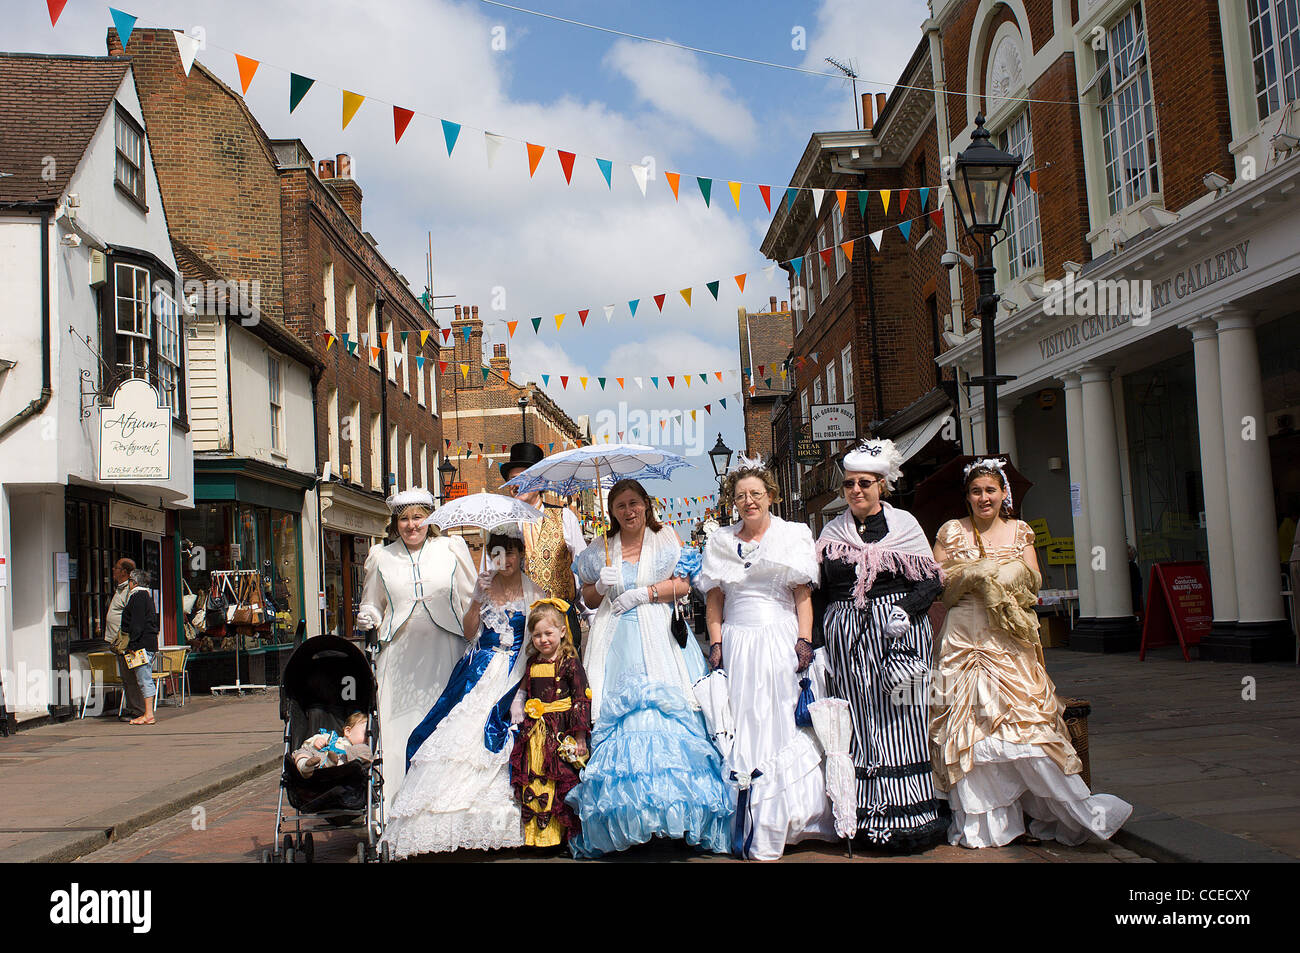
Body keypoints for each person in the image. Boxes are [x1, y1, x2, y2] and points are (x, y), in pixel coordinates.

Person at [930, 458, 1132, 848]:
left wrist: (1007, 577)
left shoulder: (1020, 531)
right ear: (967, 497)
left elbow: (1033, 584)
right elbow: (941, 590)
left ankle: (1053, 809)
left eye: (990, 490)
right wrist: (969, 573)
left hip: (1008, 638)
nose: (983, 497)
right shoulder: (952, 531)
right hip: (963, 640)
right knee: (971, 730)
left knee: (1025, 727)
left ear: (1004, 494)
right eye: (976, 491)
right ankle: (987, 824)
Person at [566, 478, 732, 857]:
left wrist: (646, 593)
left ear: (646, 505)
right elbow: (586, 594)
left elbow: (684, 585)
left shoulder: (666, 539)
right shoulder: (600, 548)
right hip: (614, 641)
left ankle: (673, 818)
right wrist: (600, 588)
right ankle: (629, 820)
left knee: (667, 713)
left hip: (659, 635)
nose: (628, 511)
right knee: (621, 717)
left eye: (634, 503)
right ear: (611, 512)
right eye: (620, 506)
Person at [812, 439, 947, 850]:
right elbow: (819, 590)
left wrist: (907, 609)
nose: (857, 491)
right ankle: (864, 817)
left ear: (881, 485)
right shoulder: (833, 531)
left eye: (865, 483)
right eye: (850, 484)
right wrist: (816, 643)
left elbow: (932, 579)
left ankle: (911, 818)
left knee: (903, 717)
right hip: (847, 638)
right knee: (858, 720)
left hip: (899, 633)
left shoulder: (905, 525)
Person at [698, 457, 833, 860]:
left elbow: (802, 595)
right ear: (733, 501)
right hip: (739, 640)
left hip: (779, 637)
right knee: (743, 717)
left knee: (780, 714)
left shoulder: (792, 535)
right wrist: (717, 644)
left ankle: (790, 815)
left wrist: (804, 640)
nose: (749, 501)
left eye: (756, 494)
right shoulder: (721, 541)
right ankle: (748, 815)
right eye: (741, 496)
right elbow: (714, 599)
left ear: (770, 496)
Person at [382, 528, 543, 857]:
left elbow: (538, 640)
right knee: (456, 732)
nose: (505, 560)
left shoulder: (534, 592)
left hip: (515, 673)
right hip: (480, 669)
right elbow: (470, 632)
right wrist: (476, 600)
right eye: (498, 553)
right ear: (491, 556)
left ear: (521, 555)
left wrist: (523, 686)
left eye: (511, 553)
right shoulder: (484, 587)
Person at [356, 488, 475, 817]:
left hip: (448, 651)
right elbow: (372, 601)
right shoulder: (381, 556)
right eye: (404, 519)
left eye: (418, 517)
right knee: (401, 730)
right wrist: (370, 614)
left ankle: (448, 808)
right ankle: (399, 809)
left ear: (430, 519)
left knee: (447, 726)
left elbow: (471, 598)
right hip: (399, 657)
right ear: (396, 523)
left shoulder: (452, 548)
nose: (411, 525)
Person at [510, 598, 591, 849]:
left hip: (559, 730)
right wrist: (518, 703)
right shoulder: (533, 663)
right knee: (535, 776)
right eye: (537, 635)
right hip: (535, 732)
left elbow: (580, 698)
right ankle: (536, 835)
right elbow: (525, 687)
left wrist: (579, 736)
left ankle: (558, 836)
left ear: (562, 631)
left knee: (558, 778)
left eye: (548, 633)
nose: (543, 639)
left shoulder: (569, 663)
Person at [499, 442, 585, 610]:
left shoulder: (565, 517)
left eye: (524, 478)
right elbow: (488, 575)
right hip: (517, 625)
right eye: (512, 479)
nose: (517, 485)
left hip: (561, 621)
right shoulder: (501, 527)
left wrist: (592, 618)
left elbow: (582, 573)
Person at [104, 557, 147, 721]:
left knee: (131, 677)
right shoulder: (121, 589)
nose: (113, 570)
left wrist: (131, 641)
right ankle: (133, 707)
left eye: (116, 568)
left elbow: (133, 615)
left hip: (126, 642)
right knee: (127, 676)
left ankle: (138, 709)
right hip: (119, 642)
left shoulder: (129, 590)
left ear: (124, 572)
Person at [120, 569, 160, 726]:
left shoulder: (138, 597)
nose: (128, 583)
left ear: (134, 582)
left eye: (129, 580)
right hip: (147, 643)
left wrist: (133, 645)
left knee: (144, 679)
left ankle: (149, 714)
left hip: (141, 645)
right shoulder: (146, 596)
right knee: (144, 678)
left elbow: (137, 624)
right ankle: (147, 713)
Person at [293, 712, 373, 778]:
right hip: (317, 761)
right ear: (348, 731)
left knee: (363, 751)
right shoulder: (331, 737)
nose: (367, 739)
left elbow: (366, 759)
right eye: (366, 734)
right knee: (302, 751)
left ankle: (329, 763)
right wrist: (317, 741)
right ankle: (305, 767)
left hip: (338, 769)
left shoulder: (357, 750)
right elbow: (308, 744)